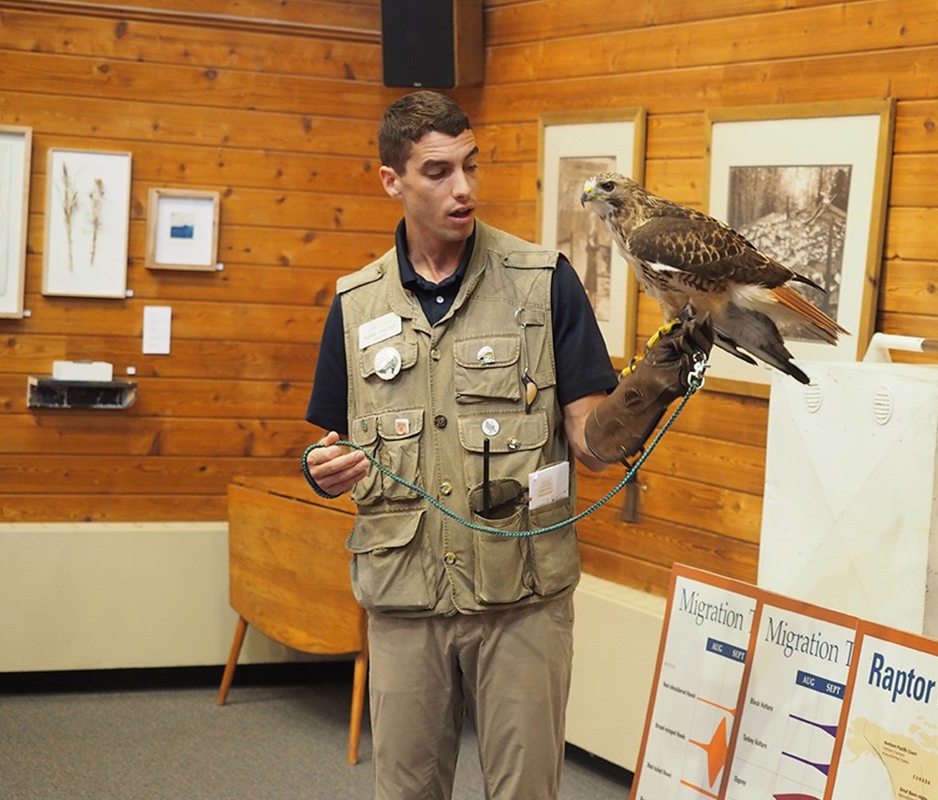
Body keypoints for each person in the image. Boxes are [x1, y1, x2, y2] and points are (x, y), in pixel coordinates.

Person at [303, 90, 711, 800]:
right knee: (405, 792)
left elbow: (590, 441)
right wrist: (322, 469)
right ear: (390, 180)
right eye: (437, 172)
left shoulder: (544, 282)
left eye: (470, 166)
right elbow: (333, 445)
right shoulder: (355, 304)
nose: (462, 189)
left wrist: (651, 383)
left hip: (522, 600)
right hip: (405, 603)